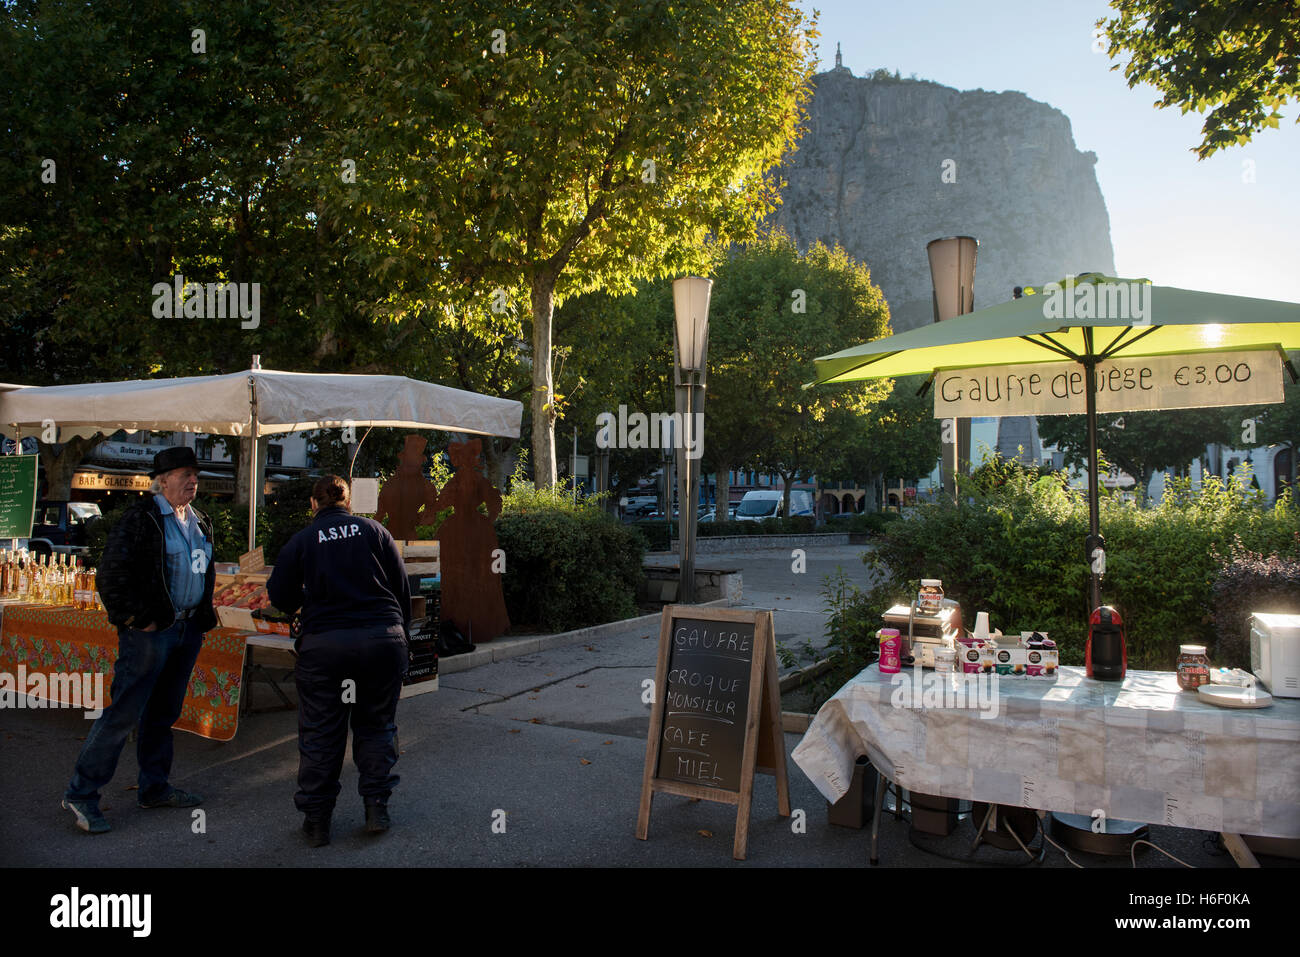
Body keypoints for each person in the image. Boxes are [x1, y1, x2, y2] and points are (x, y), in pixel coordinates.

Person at [63, 446, 215, 834]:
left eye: (195, 474)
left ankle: (154, 787)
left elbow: (203, 572)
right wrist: (137, 620)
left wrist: (199, 617)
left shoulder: (199, 521)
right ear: (162, 480)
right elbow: (111, 576)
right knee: (124, 714)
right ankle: (81, 794)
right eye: (184, 474)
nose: (193, 480)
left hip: (185, 631)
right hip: (150, 635)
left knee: (163, 714)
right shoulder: (141, 519)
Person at [268, 474, 410, 847]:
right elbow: (401, 588)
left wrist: (304, 600)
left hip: (327, 647)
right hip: (382, 641)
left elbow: (278, 594)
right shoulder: (376, 532)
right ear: (348, 502)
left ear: (313, 505)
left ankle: (317, 822)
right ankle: (376, 806)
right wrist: (400, 635)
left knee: (321, 733)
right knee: (377, 725)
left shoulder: (303, 540)